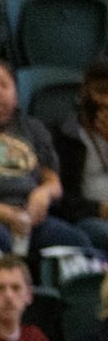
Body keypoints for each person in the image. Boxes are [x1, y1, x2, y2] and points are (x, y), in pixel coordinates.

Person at [0, 59, 93, 263]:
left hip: (29, 215)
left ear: (16, 96)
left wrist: (42, 194)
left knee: (75, 241)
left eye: (3, 84)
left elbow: (53, 182)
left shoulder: (33, 128)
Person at [53, 59, 108, 251]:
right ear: (85, 92)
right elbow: (62, 201)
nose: (106, 101)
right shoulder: (68, 137)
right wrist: (99, 209)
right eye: (101, 92)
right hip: (89, 219)